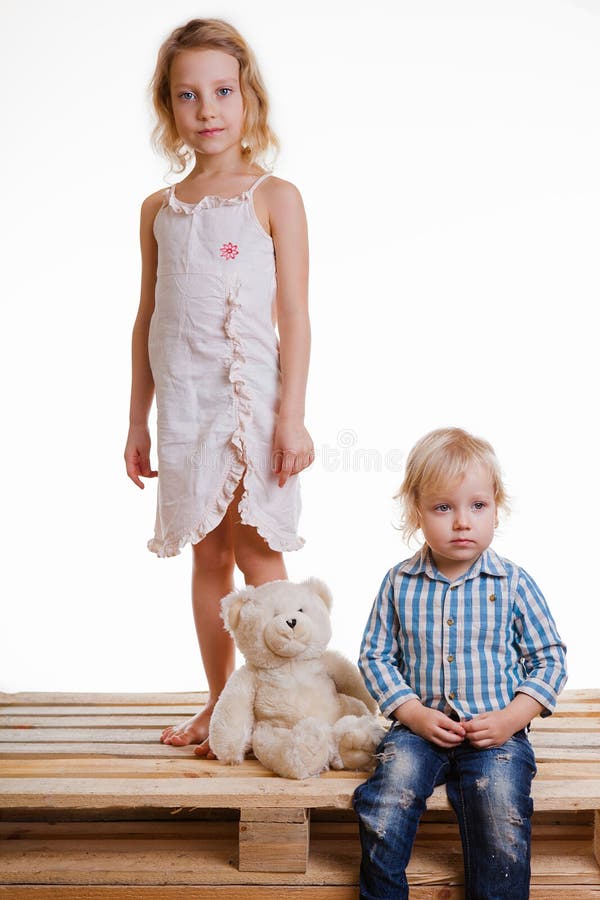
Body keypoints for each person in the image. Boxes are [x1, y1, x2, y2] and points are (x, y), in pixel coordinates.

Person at [124, 18, 313, 756]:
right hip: (185, 407)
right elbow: (148, 318)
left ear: (248, 98)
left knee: (260, 556)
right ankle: (216, 705)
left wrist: (290, 418)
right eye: (188, 95)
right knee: (208, 557)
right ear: (170, 108)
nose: (208, 109)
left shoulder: (275, 197)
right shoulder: (158, 211)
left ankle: (286, 705)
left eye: (223, 91)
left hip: (251, 406)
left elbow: (294, 315)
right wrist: (137, 421)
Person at [353, 427, 567, 900]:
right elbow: (375, 656)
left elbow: (549, 659)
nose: (462, 522)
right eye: (443, 507)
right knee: (385, 799)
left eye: (477, 506)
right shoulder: (399, 583)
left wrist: (512, 719)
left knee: (500, 809)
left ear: (497, 507)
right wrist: (411, 712)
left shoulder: (512, 582)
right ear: (416, 512)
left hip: (495, 732)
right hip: (418, 729)